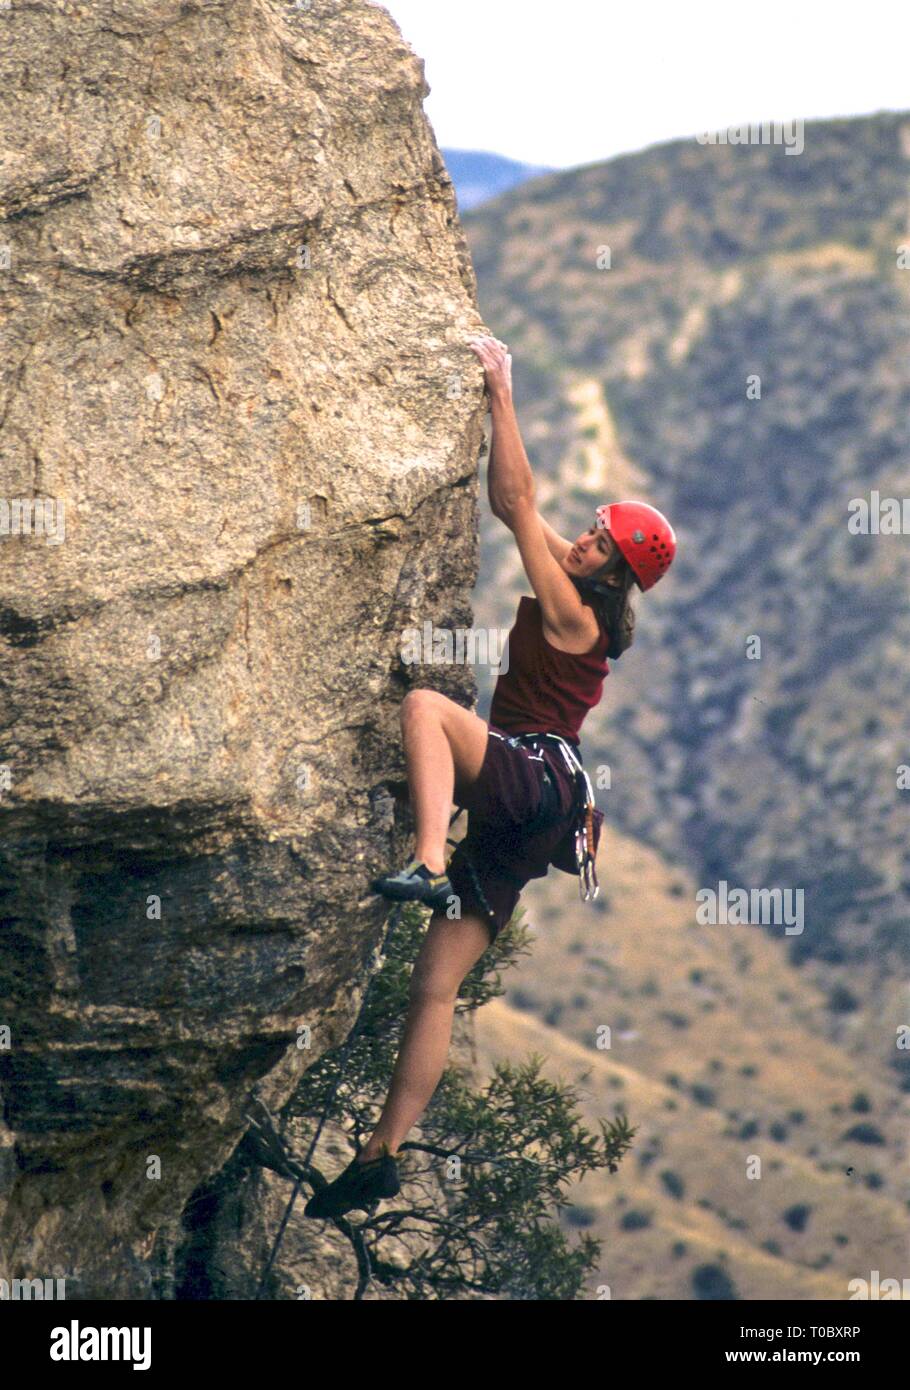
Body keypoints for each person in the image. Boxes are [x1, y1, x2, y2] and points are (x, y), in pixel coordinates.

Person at [304, 334, 676, 1220]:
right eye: (592, 529)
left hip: (533, 779)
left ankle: (429, 860)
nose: (585, 536)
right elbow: (521, 506)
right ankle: (381, 1151)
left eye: (600, 538)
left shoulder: (574, 612)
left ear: (616, 570)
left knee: (427, 709)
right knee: (435, 987)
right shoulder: (582, 597)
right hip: (541, 808)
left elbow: (514, 501)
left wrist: (501, 390)